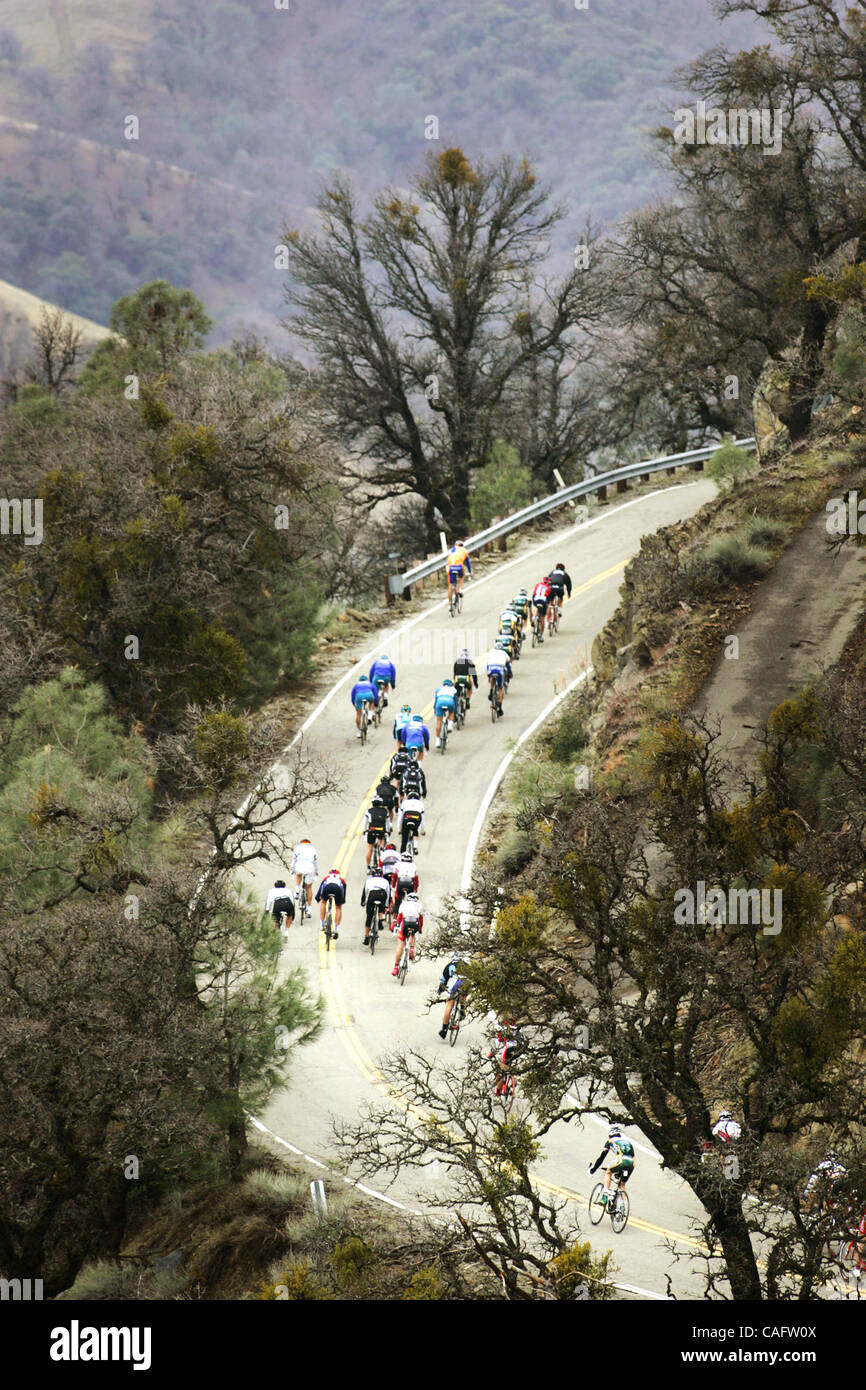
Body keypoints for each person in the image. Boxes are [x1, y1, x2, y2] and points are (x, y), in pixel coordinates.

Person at [588, 1124, 636, 1205]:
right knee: (622, 1184)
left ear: (610, 1135)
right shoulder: (628, 1142)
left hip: (621, 1160)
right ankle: (622, 1206)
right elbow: (632, 1156)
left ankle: (605, 1196)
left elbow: (602, 1157)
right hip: (631, 1163)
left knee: (608, 1172)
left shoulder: (610, 1141)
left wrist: (593, 1169)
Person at [803, 1151, 848, 1218]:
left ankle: (819, 1214)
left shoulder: (823, 1165)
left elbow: (814, 1178)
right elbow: (847, 1176)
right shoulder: (841, 1167)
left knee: (823, 1200)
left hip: (831, 1188)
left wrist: (807, 1190)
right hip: (840, 1189)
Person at [391, 891, 423, 974]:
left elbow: (400, 917)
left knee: (400, 945)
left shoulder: (403, 904)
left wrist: (397, 925)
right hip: (414, 922)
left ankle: (396, 966)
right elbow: (420, 920)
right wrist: (419, 929)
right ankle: (412, 948)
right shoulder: (419, 905)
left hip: (405, 922)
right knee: (413, 933)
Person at [360, 865, 392, 945]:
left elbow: (365, 892)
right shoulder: (385, 881)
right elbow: (388, 894)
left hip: (372, 894)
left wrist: (363, 902)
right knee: (381, 906)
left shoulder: (369, 880)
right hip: (382, 894)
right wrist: (387, 904)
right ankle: (380, 920)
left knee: (369, 917)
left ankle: (366, 938)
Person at [437, 953, 465, 1038]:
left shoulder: (449, 966)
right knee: (464, 993)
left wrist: (440, 990)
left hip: (455, 984)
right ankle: (462, 1008)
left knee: (449, 1004)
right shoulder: (465, 964)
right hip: (465, 983)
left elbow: (443, 981)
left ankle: (444, 1030)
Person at [315, 867, 347, 940]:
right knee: (338, 907)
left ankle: (322, 924)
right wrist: (342, 901)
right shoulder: (341, 880)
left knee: (323, 902)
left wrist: (318, 898)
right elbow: (343, 890)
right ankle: (336, 929)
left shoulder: (327, 878)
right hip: (337, 889)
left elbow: (321, 888)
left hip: (327, 888)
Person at [483, 643, 512, 717]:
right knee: (500, 688)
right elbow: (508, 665)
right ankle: (500, 707)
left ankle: (491, 691)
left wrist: (487, 673)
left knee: (492, 677)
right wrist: (509, 673)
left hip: (491, 669)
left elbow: (487, 664)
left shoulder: (490, 652)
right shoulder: (504, 653)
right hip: (499, 669)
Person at [290, 839, 318, 912]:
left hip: (299, 866)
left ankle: (297, 888)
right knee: (309, 888)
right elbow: (316, 863)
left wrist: (292, 871)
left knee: (298, 874)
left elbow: (293, 861)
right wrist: (316, 872)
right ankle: (309, 908)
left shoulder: (297, 849)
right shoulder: (313, 849)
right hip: (310, 867)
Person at [363, 794, 390, 867]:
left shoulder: (369, 811)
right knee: (382, 842)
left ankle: (368, 867)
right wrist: (388, 831)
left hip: (371, 830)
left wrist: (364, 830)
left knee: (369, 848)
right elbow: (388, 824)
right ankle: (381, 852)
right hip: (381, 831)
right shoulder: (385, 811)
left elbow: (365, 823)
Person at [433, 677, 458, 747]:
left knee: (438, 721)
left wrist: (435, 709)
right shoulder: (454, 689)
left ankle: (437, 740)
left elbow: (435, 701)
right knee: (451, 711)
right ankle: (450, 725)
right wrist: (455, 712)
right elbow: (455, 703)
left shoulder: (438, 689)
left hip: (439, 703)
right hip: (449, 702)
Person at [447, 540, 472, 605]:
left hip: (451, 567)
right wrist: (470, 572)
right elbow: (468, 563)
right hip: (459, 566)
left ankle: (449, 604)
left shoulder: (452, 550)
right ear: (462, 546)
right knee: (462, 576)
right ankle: (459, 589)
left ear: (455, 545)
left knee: (450, 584)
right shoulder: (464, 550)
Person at [532, 576, 552, 641]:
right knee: (542, 618)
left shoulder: (538, 584)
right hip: (543, 601)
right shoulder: (549, 588)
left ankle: (534, 617)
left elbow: (534, 594)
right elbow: (548, 599)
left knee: (537, 606)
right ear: (548, 582)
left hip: (535, 599)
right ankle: (540, 635)